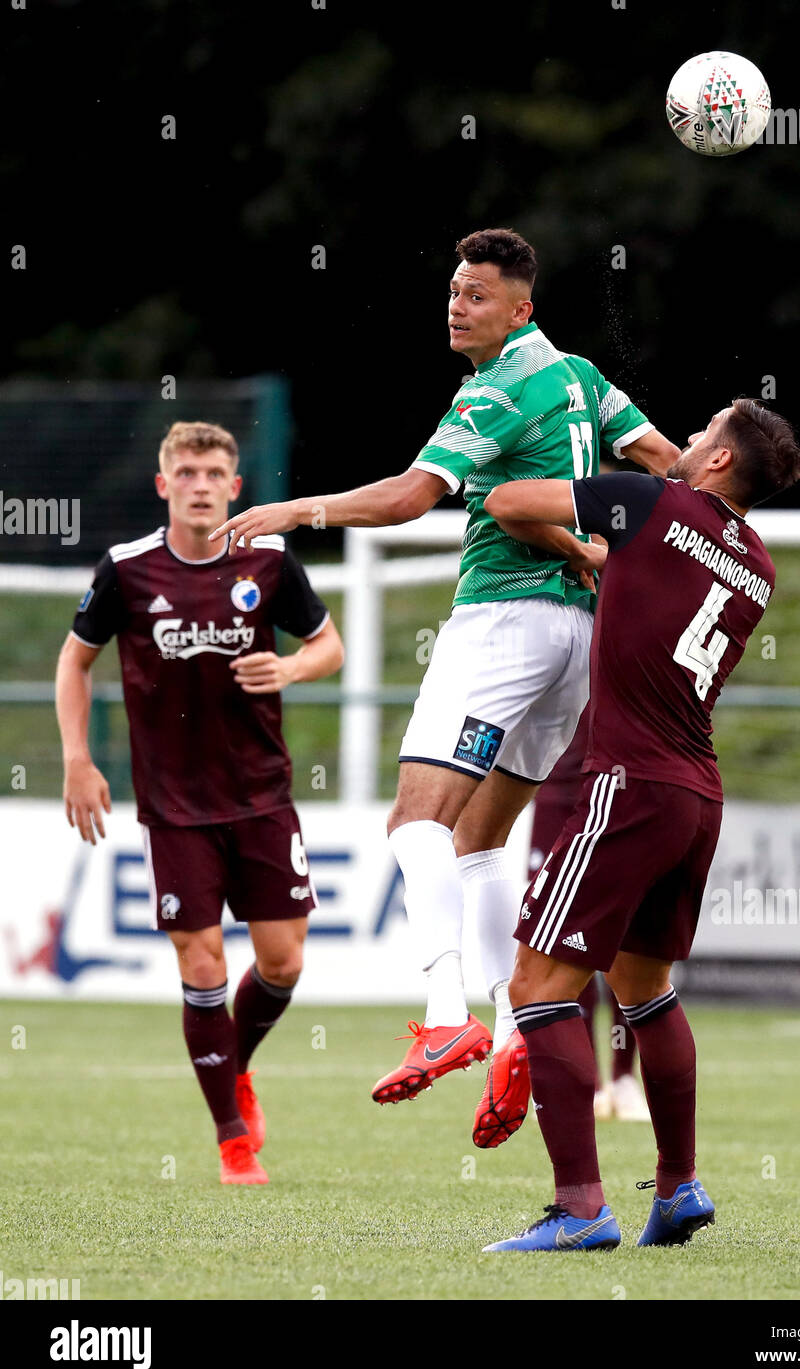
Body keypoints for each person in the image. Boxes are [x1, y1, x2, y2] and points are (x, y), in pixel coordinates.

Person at [211, 228, 679, 1134]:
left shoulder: (499, 389)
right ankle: (514, 1030)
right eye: (454, 291)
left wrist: (292, 509)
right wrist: (663, 548)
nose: (457, 305)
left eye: (475, 294)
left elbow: (405, 501)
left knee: (415, 820)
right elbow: (667, 463)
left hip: (501, 623)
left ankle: (443, 1017)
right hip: (579, 637)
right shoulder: (582, 377)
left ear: (520, 308)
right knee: (483, 841)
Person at [479, 398, 800, 1252]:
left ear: (721, 462)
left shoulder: (648, 500)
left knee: (537, 988)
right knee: (645, 990)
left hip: (626, 783)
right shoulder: (760, 565)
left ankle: (581, 1210)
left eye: (702, 432)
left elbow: (506, 503)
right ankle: (678, 1186)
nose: (686, 438)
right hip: (696, 793)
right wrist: (608, 551)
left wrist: (617, 504)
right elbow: (664, 588)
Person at [55, 421, 344, 1186]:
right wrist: (78, 760)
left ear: (235, 486)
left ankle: (234, 1065)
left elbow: (329, 646)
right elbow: (74, 660)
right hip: (175, 807)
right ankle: (231, 1142)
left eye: (214, 472)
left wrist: (291, 671)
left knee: (283, 962)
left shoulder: (270, 560)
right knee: (203, 960)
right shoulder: (127, 569)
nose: (201, 484)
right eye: (185, 472)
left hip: (262, 797)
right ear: (164, 486)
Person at [529, 707, 651, 1125]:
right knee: (559, 938)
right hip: (556, 790)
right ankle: (589, 1080)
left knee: (627, 938)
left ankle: (622, 1076)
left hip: (619, 788)